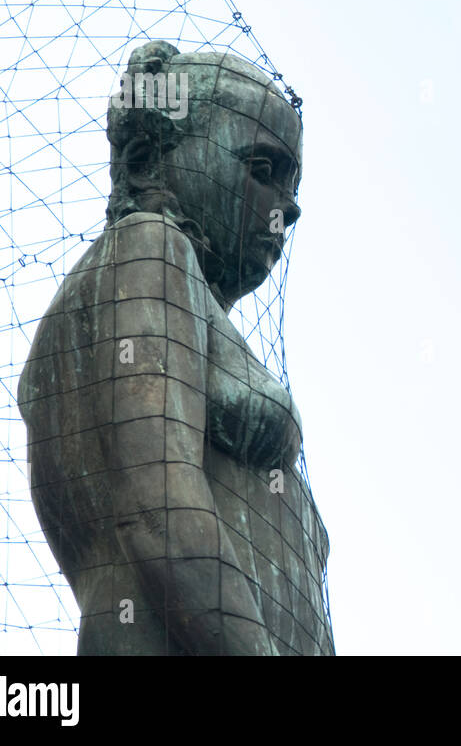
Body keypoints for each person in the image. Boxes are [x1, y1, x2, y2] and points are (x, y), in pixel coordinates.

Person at [18, 41, 333, 655]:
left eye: (292, 183)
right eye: (262, 170)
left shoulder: (175, 284)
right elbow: (156, 506)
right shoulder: (149, 249)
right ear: (145, 159)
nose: (287, 209)